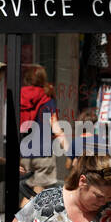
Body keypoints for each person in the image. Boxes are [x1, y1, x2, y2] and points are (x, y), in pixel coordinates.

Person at [18, 64, 68, 197]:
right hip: (43, 154)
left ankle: (22, 216)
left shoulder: (19, 97)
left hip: (23, 154)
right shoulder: (47, 99)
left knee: (27, 195)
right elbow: (55, 126)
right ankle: (28, 217)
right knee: (37, 197)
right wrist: (69, 149)